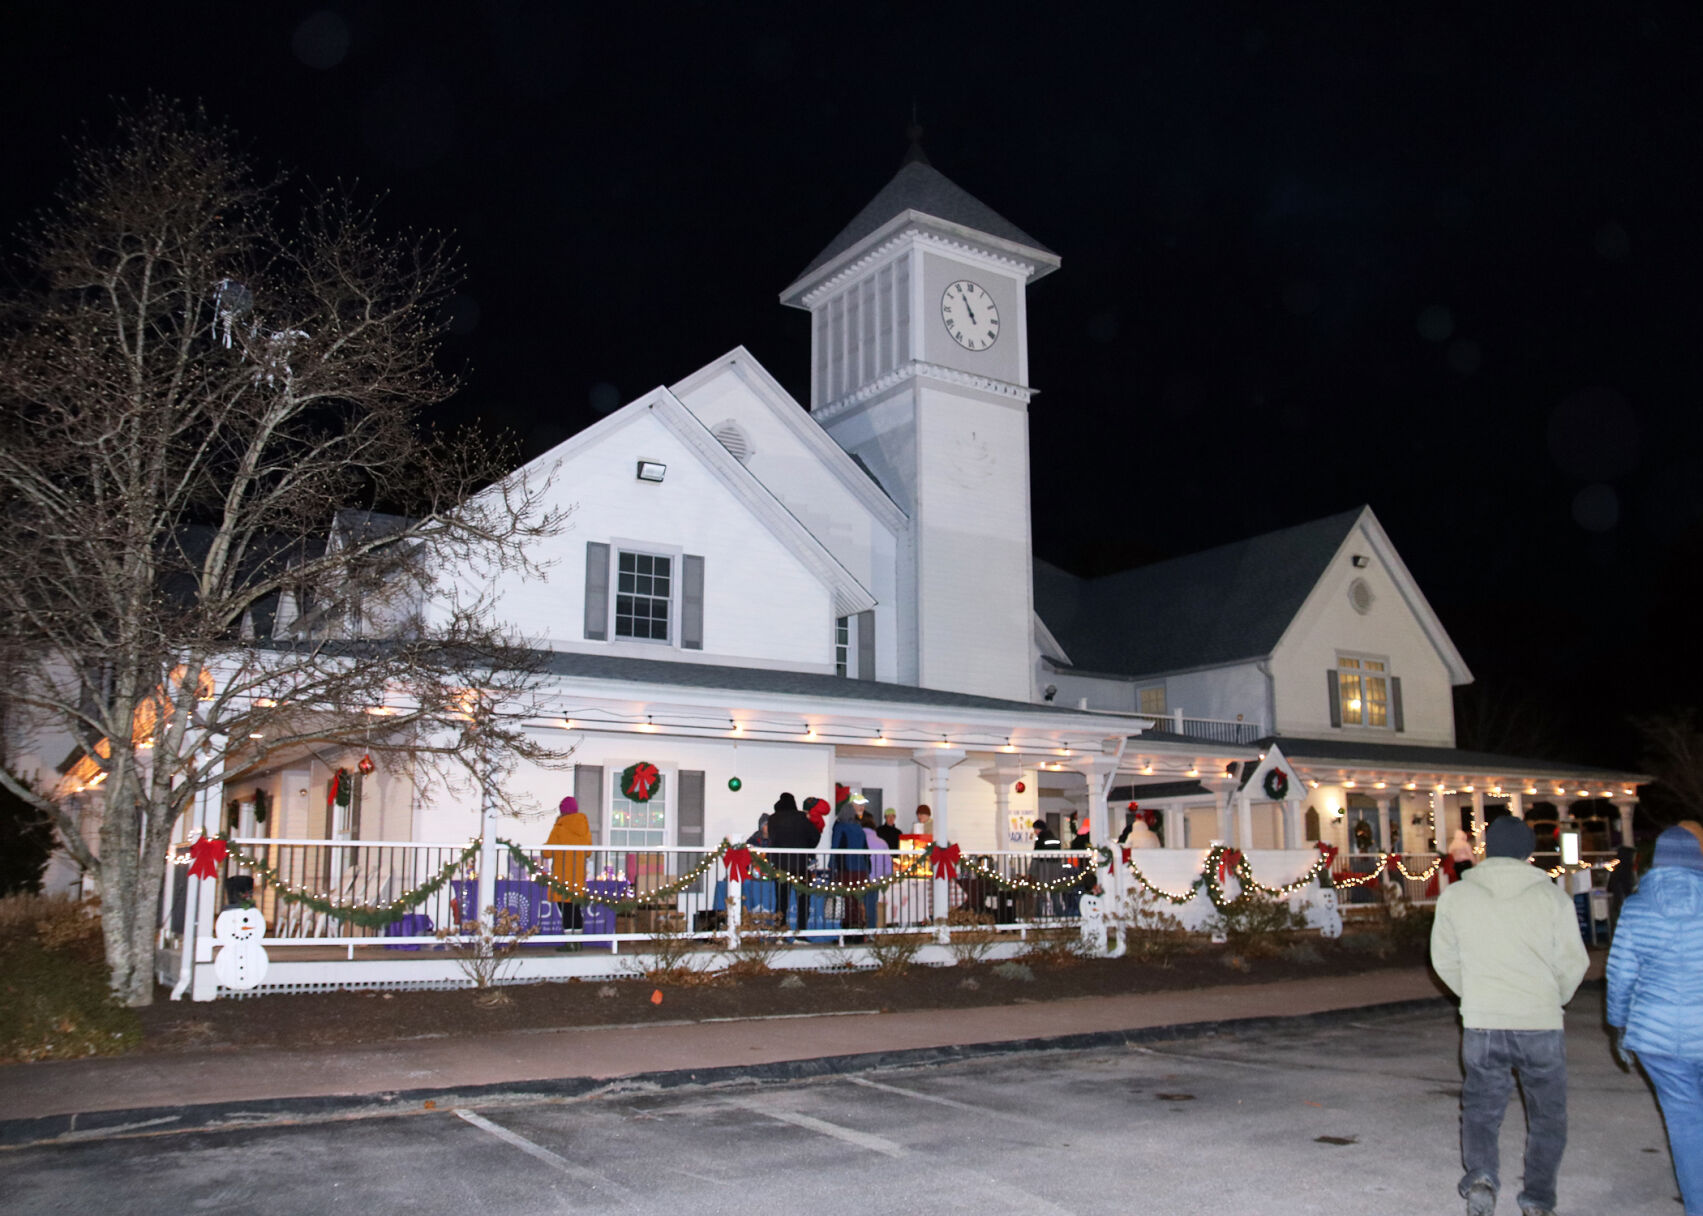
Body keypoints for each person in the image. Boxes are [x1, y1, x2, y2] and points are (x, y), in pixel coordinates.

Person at [1430, 814, 1590, 1216]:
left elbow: (1443, 959)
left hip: (1483, 1022)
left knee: (1482, 1108)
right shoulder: (1552, 898)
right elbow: (1573, 963)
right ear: (1528, 853)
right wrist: (1554, 999)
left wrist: (1476, 996)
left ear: (1489, 851)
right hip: (1540, 1022)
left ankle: (1482, 1176)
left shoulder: (1457, 896)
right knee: (1548, 1116)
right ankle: (1537, 1199)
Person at [1606, 826, 1703, 1216]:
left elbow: (1621, 974)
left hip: (1657, 1039)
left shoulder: (1637, 905)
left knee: (1685, 1125)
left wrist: (1619, 1025)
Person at [766, 792, 820, 934]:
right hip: (800, 866)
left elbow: (772, 840)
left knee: (781, 901)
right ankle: (801, 931)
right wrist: (807, 847)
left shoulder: (773, 819)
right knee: (803, 900)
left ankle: (780, 930)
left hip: (780, 866)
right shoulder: (802, 818)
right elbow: (815, 837)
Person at [544, 796, 591, 950]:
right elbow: (589, 852)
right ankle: (577, 942)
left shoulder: (560, 827)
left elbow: (547, 853)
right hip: (578, 876)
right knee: (576, 910)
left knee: (566, 911)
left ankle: (570, 943)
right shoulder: (584, 827)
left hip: (562, 876)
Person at [830, 803, 871, 938]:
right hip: (861, 869)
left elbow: (835, 848)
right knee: (858, 901)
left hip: (846, 869)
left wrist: (832, 868)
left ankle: (848, 933)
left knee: (847, 901)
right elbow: (866, 850)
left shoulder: (840, 827)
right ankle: (859, 930)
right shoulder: (859, 828)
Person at [861, 810, 892, 928]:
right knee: (871, 906)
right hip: (876, 880)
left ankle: (858, 931)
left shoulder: (860, 840)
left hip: (861, 877)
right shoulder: (882, 842)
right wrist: (887, 877)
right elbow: (888, 864)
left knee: (858, 906)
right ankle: (872, 930)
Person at [1030, 818, 1064, 918]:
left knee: (1041, 894)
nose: (1035, 832)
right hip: (1056, 870)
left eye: (1035, 829)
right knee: (1055, 894)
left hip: (1043, 870)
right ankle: (1060, 916)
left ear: (1038, 829)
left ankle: (1038, 917)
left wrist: (1032, 872)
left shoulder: (1040, 840)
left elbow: (1036, 857)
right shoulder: (1055, 838)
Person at [1604, 844, 1638, 933]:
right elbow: (1629, 887)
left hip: (1617, 904)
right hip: (1625, 904)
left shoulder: (1618, 869)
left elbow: (1610, 887)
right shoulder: (1627, 869)